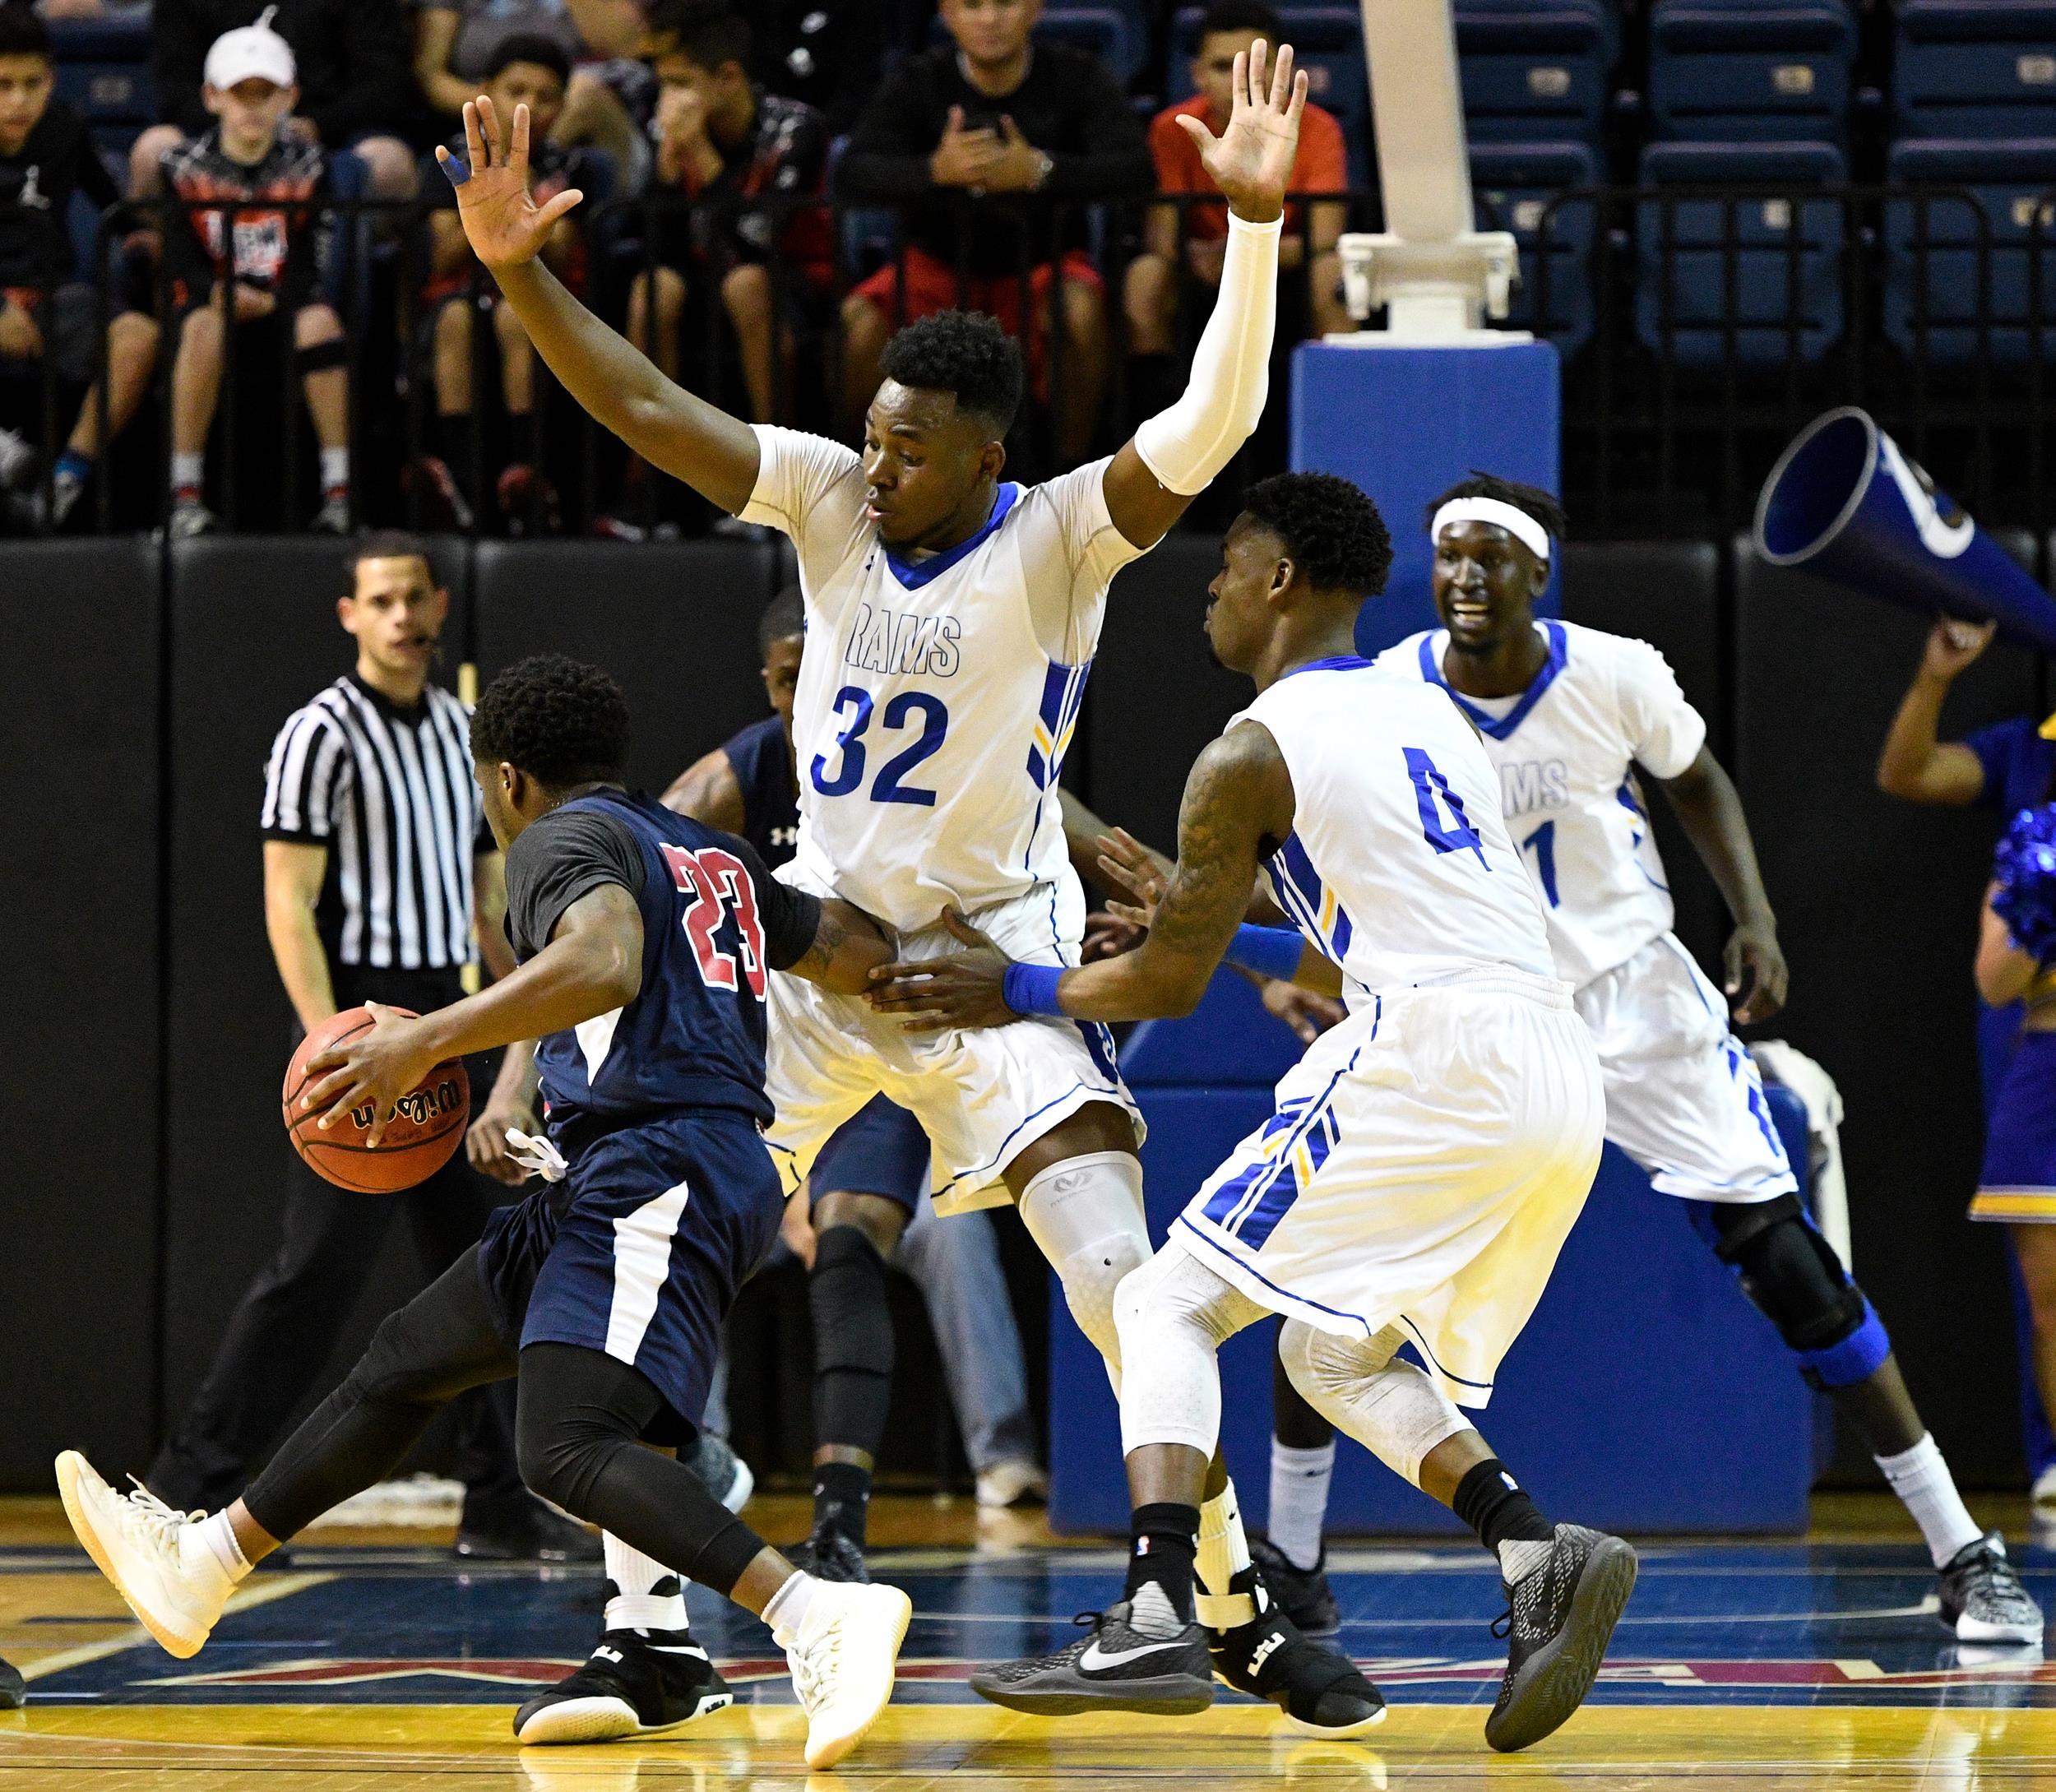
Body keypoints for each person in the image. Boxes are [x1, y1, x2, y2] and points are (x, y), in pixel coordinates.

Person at [432, 47, 1386, 1733]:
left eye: (912, 449)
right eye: (870, 438)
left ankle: (1213, 1603)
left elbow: (1215, 422)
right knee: (650, 1243)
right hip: (811, 961)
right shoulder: (818, 493)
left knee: (1122, 1277)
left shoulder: (1065, 536)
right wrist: (519, 276)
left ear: (984, 450)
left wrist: (1251, 231)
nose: (877, 467)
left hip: (988, 972)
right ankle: (648, 1629)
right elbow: (655, 412)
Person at [868, 472, 1629, 1751]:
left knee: (1164, 1298)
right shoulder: (1426, 708)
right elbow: (1357, 909)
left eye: (1230, 562)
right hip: (1555, 1067)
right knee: (1325, 1352)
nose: (1211, 585)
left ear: (1279, 578)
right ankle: (1532, 1547)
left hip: (1432, 1051)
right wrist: (1193, 898)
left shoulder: (1247, 748)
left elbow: (1162, 977)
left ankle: (1161, 1606)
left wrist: (1014, 983)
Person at [58, 655, 915, 1772]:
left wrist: (426, 1035)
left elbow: (602, 962)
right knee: (408, 1358)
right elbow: (855, 949)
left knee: (563, 1442)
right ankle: (207, 1561)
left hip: (661, 1162)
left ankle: (812, 1610)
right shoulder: (715, 853)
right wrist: (951, 963)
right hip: (626, 1165)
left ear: (505, 779)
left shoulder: (555, 843)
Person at [1229, 474, 2044, 1643]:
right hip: (1473, 1007)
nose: (1461, 575)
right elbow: (1317, 837)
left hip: (1632, 995)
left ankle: (1964, 1544)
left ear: (1537, 574)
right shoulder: (1389, 688)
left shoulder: (1613, 668)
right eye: (1445, 552)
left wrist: (1752, 913)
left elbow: (1698, 779)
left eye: (1487, 555)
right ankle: (1294, 1563)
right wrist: (1289, 960)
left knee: (1790, 1262)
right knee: (1330, 1270)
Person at [144, 534, 592, 1566]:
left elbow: (490, 899)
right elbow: (287, 901)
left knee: (498, 1262)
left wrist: (513, 1013)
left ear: (440, 603)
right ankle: (186, 1490)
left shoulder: (458, 730)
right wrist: (327, 1045)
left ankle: (500, 1502)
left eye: (414, 598)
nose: (401, 617)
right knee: (313, 1275)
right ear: (349, 614)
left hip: (451, 1023)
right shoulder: (319, 733)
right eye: (379, 601)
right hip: (361, 1020)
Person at [665, 590, 1046, 1554]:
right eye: (790, 682)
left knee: (860, 1239)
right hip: (774, 1063)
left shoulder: (918, 758)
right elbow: (637, 874)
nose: (806, 703)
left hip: (893, 1057)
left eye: (821, 677)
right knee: (674, 1233)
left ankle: (860, 1513)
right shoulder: (738, 777)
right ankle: (684, 1461)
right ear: (770, 682)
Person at [1877, 617, 2056, 1511]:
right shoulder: (2032, 757)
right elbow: (1907, 771)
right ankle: (2051, 1460)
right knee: (2048, 1282)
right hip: (2039, 1038)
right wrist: (1934, 674)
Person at [836, 0, 1154, 461]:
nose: (989, 19)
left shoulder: (1077, 74)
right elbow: (853, 173)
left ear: (1035, 8)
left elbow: (1136, 171)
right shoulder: (917, 80)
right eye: (972, 5)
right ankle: (858, 474)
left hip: (1044, 267)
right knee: (857, 324)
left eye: (1004, 3)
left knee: (1082, 313)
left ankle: (1069, 482)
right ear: (946, 12)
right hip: (934, 270)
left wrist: (1040, 169)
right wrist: (935, 170)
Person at [157, 16, 353, 536]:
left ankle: (340, 491)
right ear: (211, 97)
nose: (251, 106)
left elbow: (315, 258)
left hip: (286, 304)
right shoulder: (179, 166)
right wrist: (218, 293)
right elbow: (180, 261)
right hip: (211, 304)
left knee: (322, 325)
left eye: (264, 93)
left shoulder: (311, 164)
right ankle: (185, 495)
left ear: (288, 97)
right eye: (238, 93)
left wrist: (273, 301)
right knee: (202, 327)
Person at [625, 2, 830, 431]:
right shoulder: (667, 128)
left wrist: (701, 155)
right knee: (653, 288)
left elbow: (759, 240)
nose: (669, 100)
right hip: (703, 277)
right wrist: (665, 179)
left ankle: (779, 455)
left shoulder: (797, 128)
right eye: (665, 85)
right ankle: (650, 468)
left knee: (746, 284)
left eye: (682, 84)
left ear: (729, 78)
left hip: (791, 280)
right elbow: (652, 246)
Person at [1126, 0, 1350, 390]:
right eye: (1220, 66)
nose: (1238, 79)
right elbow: (1164, 239)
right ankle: (1152, 427)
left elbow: (1324, 238)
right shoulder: (1172, 128)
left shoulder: (1320, 129)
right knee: (1145, 277)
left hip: (1288, 272)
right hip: (1202, 274)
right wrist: (1209, 258)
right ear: (1196, 74)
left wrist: (1245, 251)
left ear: (1281, 69)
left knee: (1333, 275)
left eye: (1253, 64)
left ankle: (1342, 421)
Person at [420, 34, 594, 532]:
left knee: (515, 316)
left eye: (546, 96)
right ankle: (463, 487)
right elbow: (439, 259)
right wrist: (483, 211)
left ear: (563, 105)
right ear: (486, 91)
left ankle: (527, 474)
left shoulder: (573, 167)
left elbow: (564, 257)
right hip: (460, 298)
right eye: (516, 89)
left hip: (543, 301)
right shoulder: (447, 161)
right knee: (457, 317)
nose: (530, 107)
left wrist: (529, 201)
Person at [0, 4, 160, 531]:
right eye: (3, 85)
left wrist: (144, 234)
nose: (20, 101)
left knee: (137, 335)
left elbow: (108, 199)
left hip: (53, 298)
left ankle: (64, 479)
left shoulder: (64, 128)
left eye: (33, 83)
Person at [134, 0, 419, 204]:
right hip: (217, 132)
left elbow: (385, 85)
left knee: (389, 161)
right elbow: (174, 89)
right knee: (153, 149)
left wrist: (319, 126)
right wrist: (235, 121)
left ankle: (369, 278)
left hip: (330, 137)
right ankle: (164, 273)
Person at [1973, 820, 2056, 1494]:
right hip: (2045, 1080)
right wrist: (2042, 906)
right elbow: (1995, 983)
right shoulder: (2032, 852)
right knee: (2052, 1305)